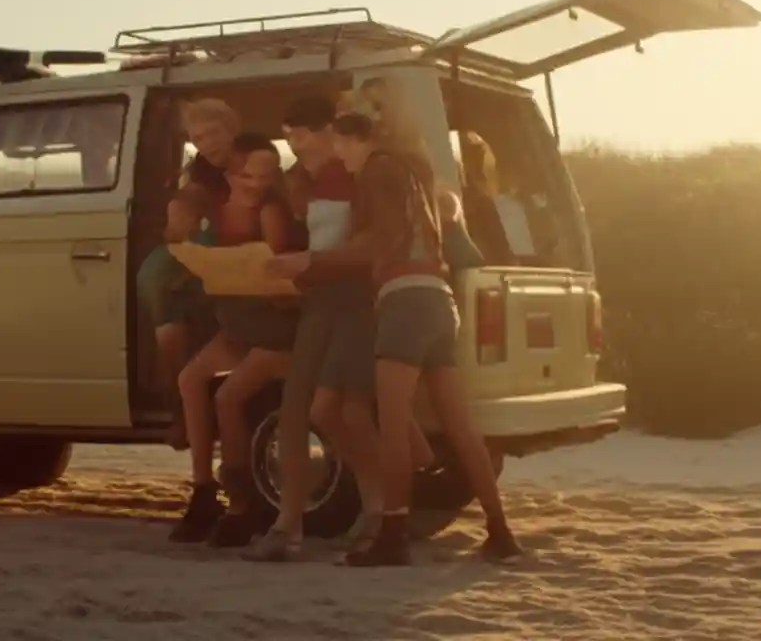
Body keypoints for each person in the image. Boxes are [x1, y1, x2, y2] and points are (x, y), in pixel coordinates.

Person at [243, 96, 435, 563]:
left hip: (359, 299)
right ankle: (294, 523)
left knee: (341, 408)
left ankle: (375, 510)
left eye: (302, 132)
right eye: (288, 134)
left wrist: (310, 260)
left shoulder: (366, 172)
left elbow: (378, 238)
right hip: (320, 297)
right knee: (304, 407)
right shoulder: (302, 180)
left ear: (335, 132)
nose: (294, 142)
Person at [328, 111, 523, 566]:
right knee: (461, 428)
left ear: (358, 140)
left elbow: (385, 233)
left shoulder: (377, 171)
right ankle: (499, 530)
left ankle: (392, 534)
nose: (340, 156)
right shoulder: (418, 174)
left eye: (341, 145)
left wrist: (319, 260)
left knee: (393, 422)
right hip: (439, 300)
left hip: (405, 299)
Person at [169, 133, 300, 547]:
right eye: (247, 175)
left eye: (265, 174)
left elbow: (278, 273)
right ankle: (203, 487)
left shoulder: (270, 210)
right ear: (229, 173)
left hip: (274, 324)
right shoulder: (217, 211)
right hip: (240, 321)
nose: (256, 183)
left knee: (228, 397)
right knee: (190, 379)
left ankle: (242, 504)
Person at [135, 98, 241, 450]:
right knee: (155, 281)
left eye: (214, 133)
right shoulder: (199, 169)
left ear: (232, 129)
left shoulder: (252, 157)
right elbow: (190, 206)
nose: (207, 143)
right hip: (209, 244)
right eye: (198, 137)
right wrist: (181, 212)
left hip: (244, 243)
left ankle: (189, 406)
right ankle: (181, 407)